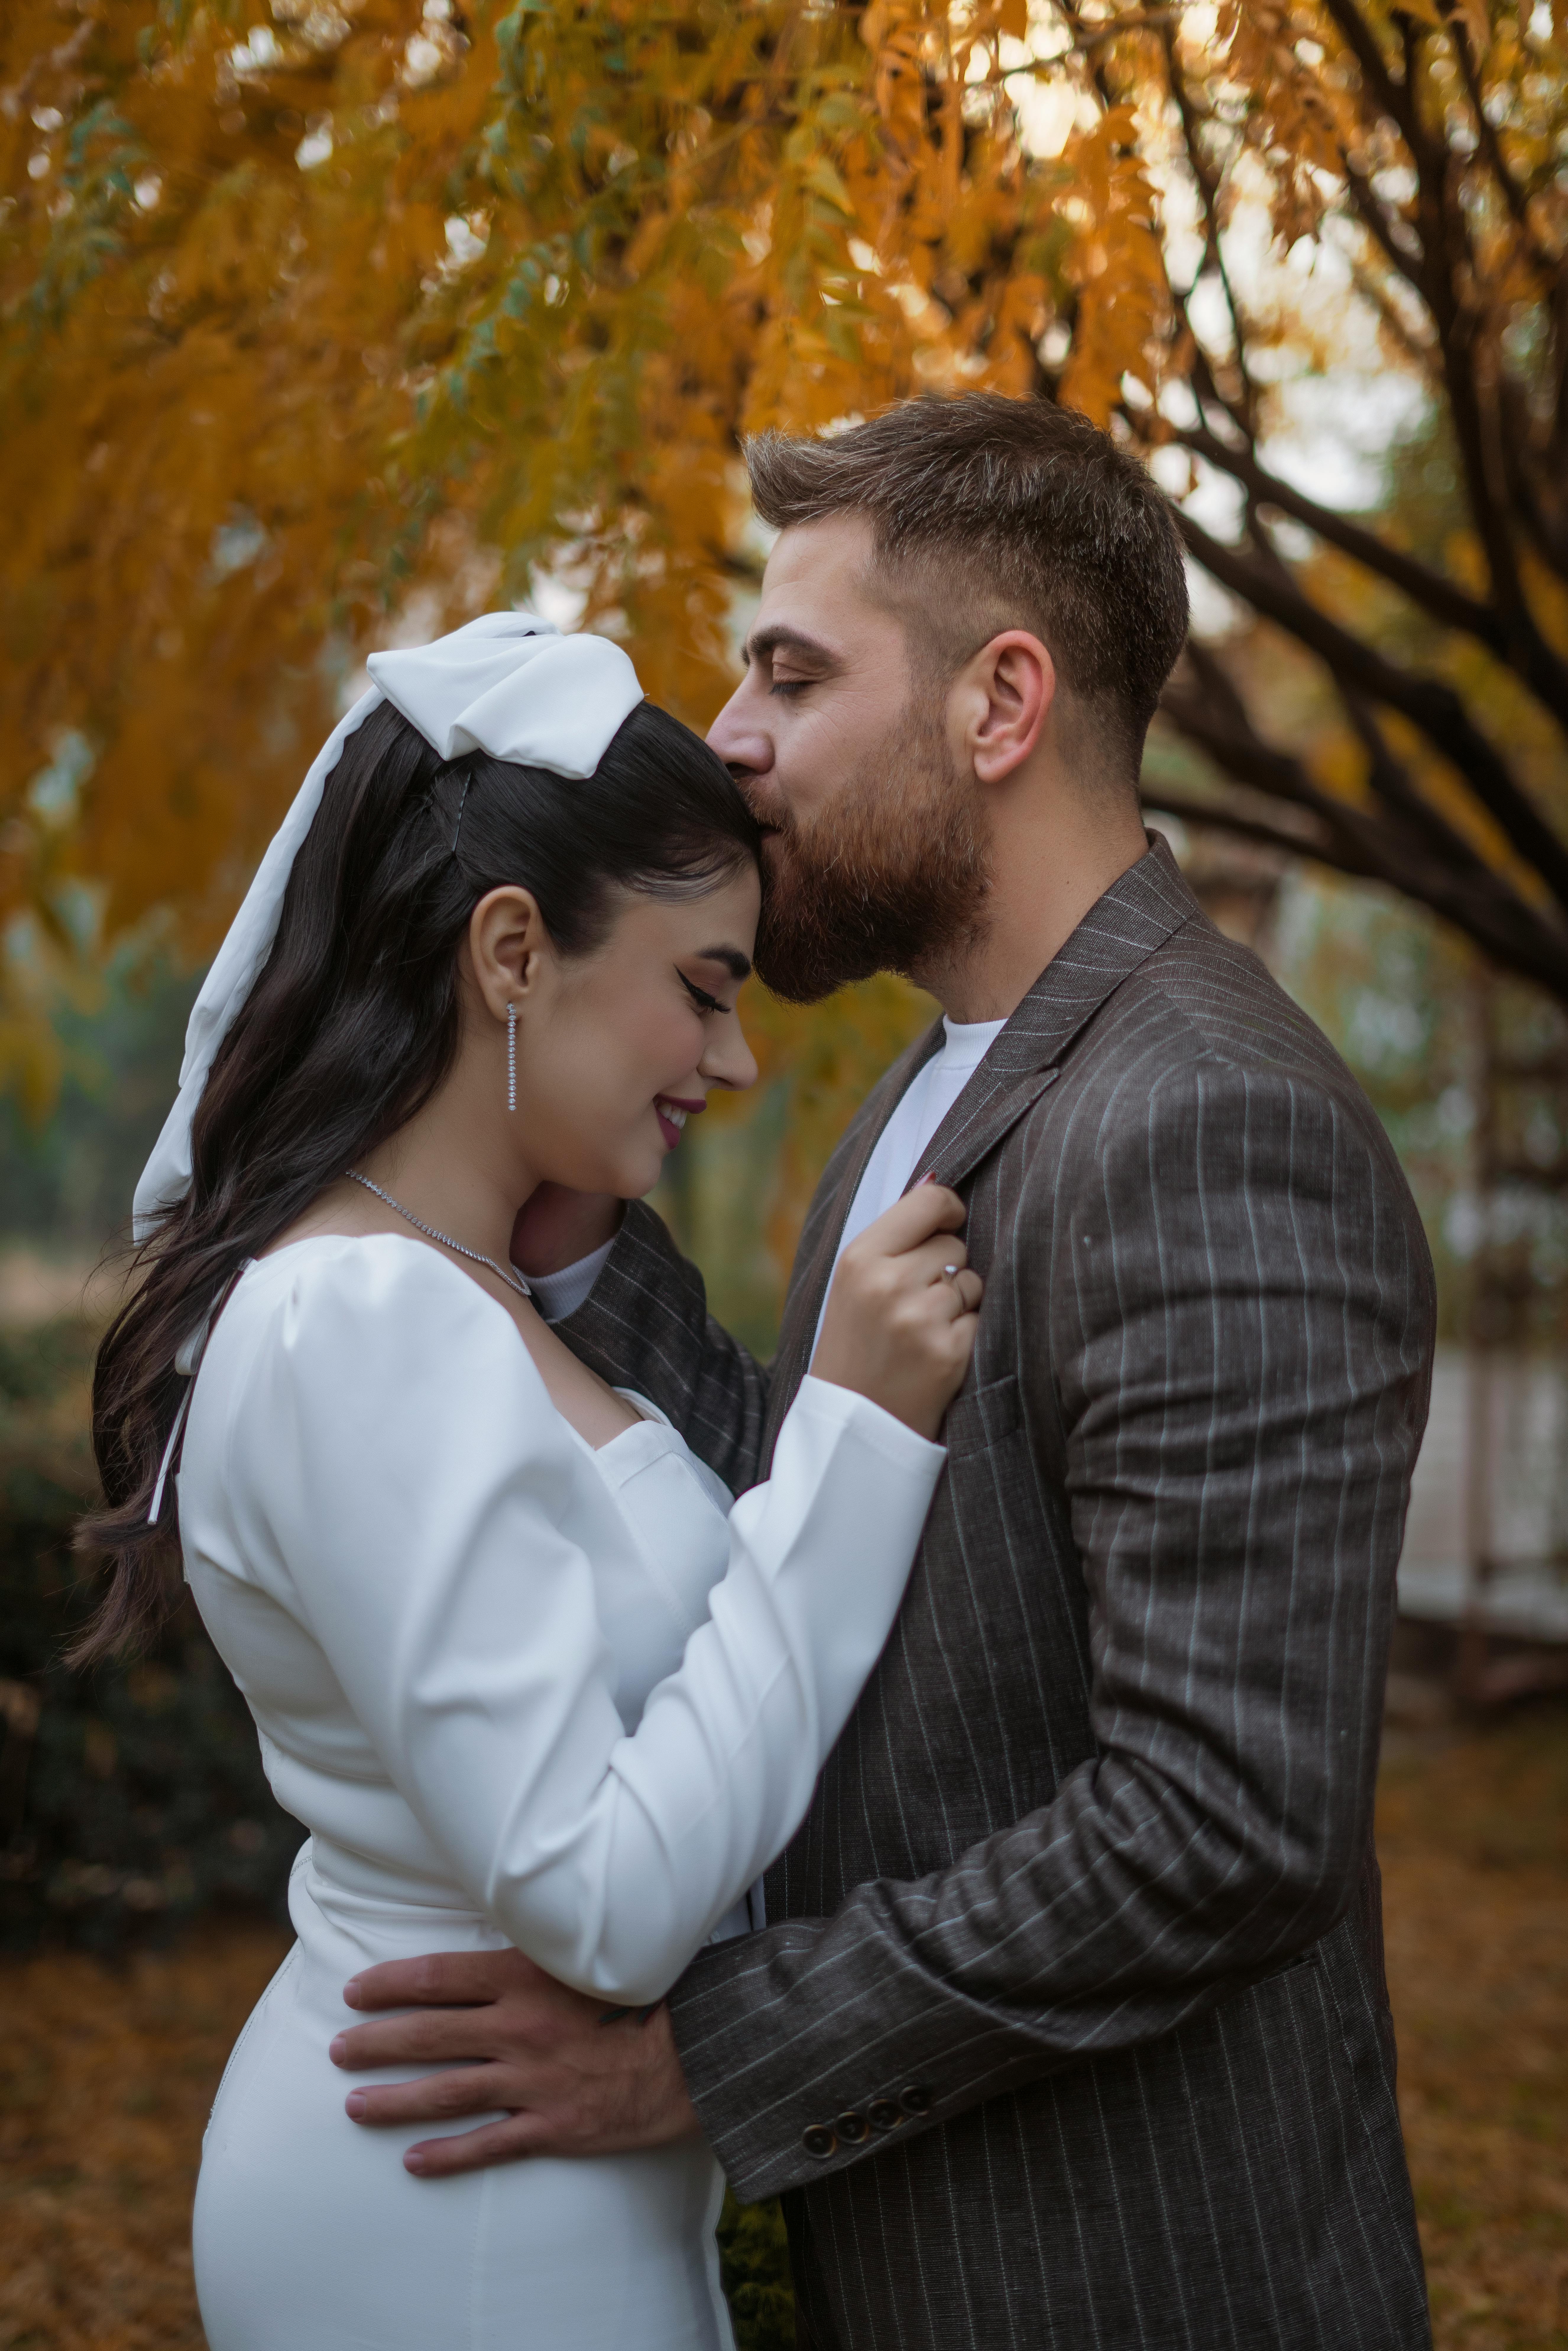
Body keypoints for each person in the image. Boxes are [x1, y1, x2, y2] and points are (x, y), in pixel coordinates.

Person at [333, 399, 1439, 2350]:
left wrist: (706, 2059)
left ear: (997, 704)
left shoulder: (1202, 1120)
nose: (734, 738)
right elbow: (848, 1510)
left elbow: (1217, 1823)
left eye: (791, 671)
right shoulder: (940, 1085)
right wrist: (547, 1231)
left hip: (1125, 2286)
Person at [76, 611, 985, 2351]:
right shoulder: (360, 1319)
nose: (727, 1062)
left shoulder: (463, 1296)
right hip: (452, 2218)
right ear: (511, 951)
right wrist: (852, 1448)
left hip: (513, 2183)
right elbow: (601, 1896)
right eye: (703, 987)